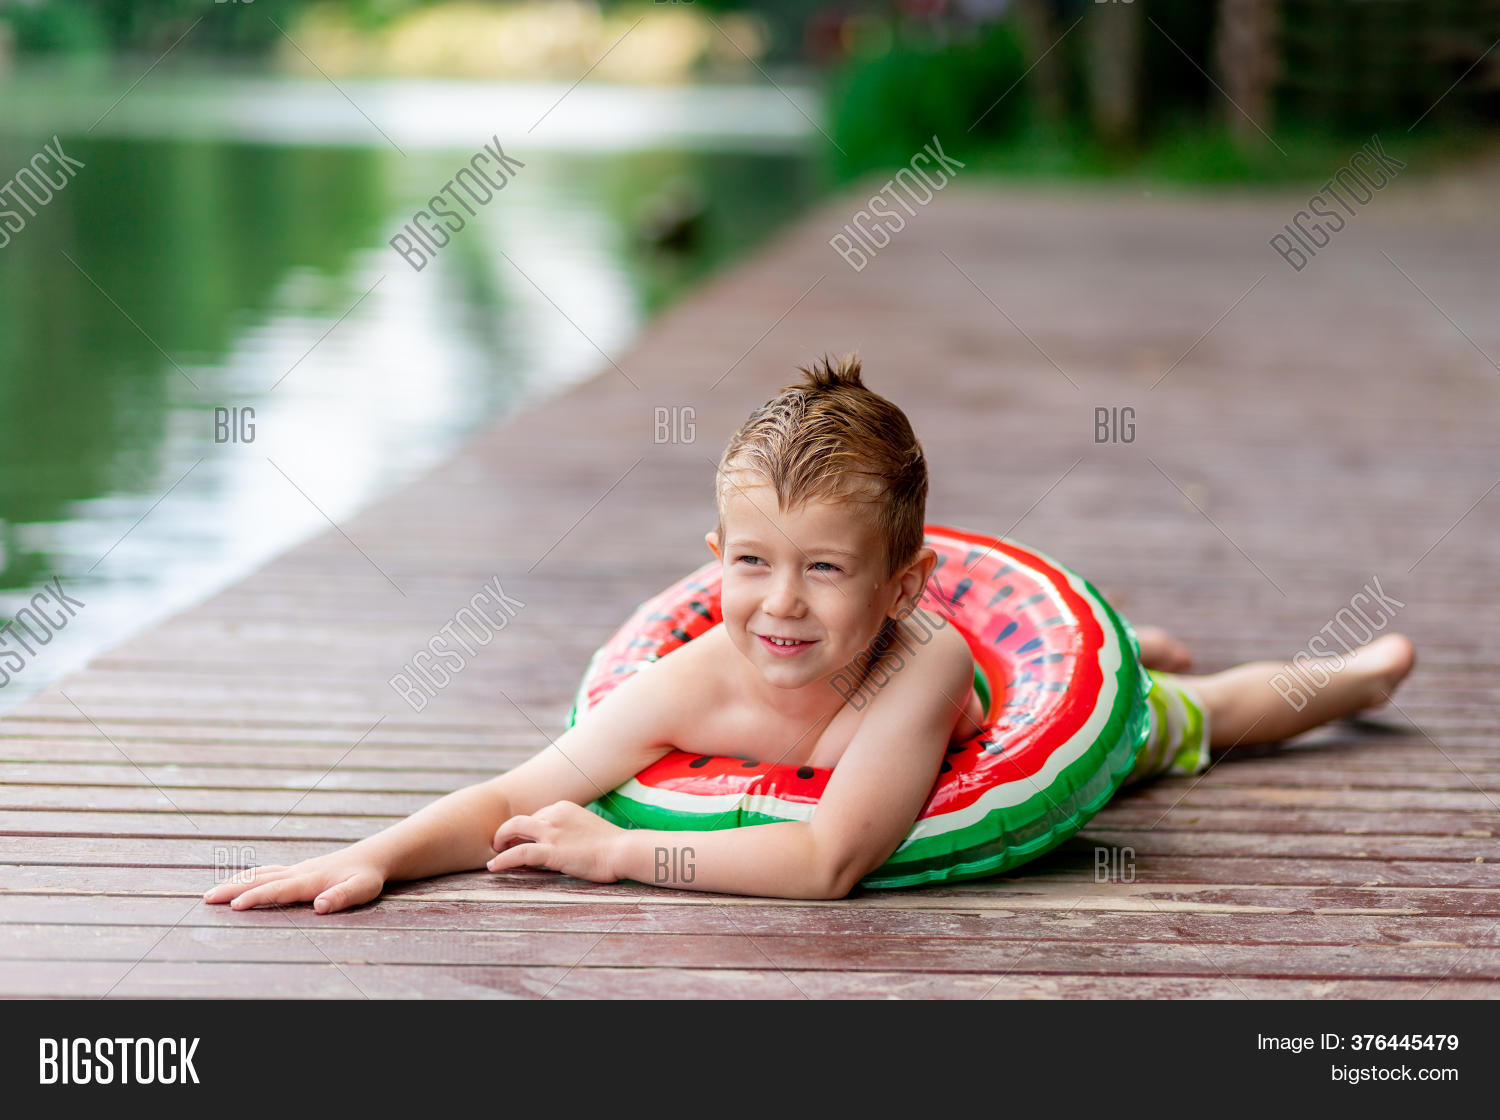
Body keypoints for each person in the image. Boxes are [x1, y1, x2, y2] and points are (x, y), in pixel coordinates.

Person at [204, 355, 1415, 910]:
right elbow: (517, 792)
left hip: (993, 719)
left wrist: (623, 853)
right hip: (890, 697)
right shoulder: (700, 675)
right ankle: (1147, 634)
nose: (779, 604)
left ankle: (1335, 681)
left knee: (1196, 719)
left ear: (899, 584)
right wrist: (374, 852)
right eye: (750, 563)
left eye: (824, 569)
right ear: (711, 563)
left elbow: (832, 863)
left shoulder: (923, 656)